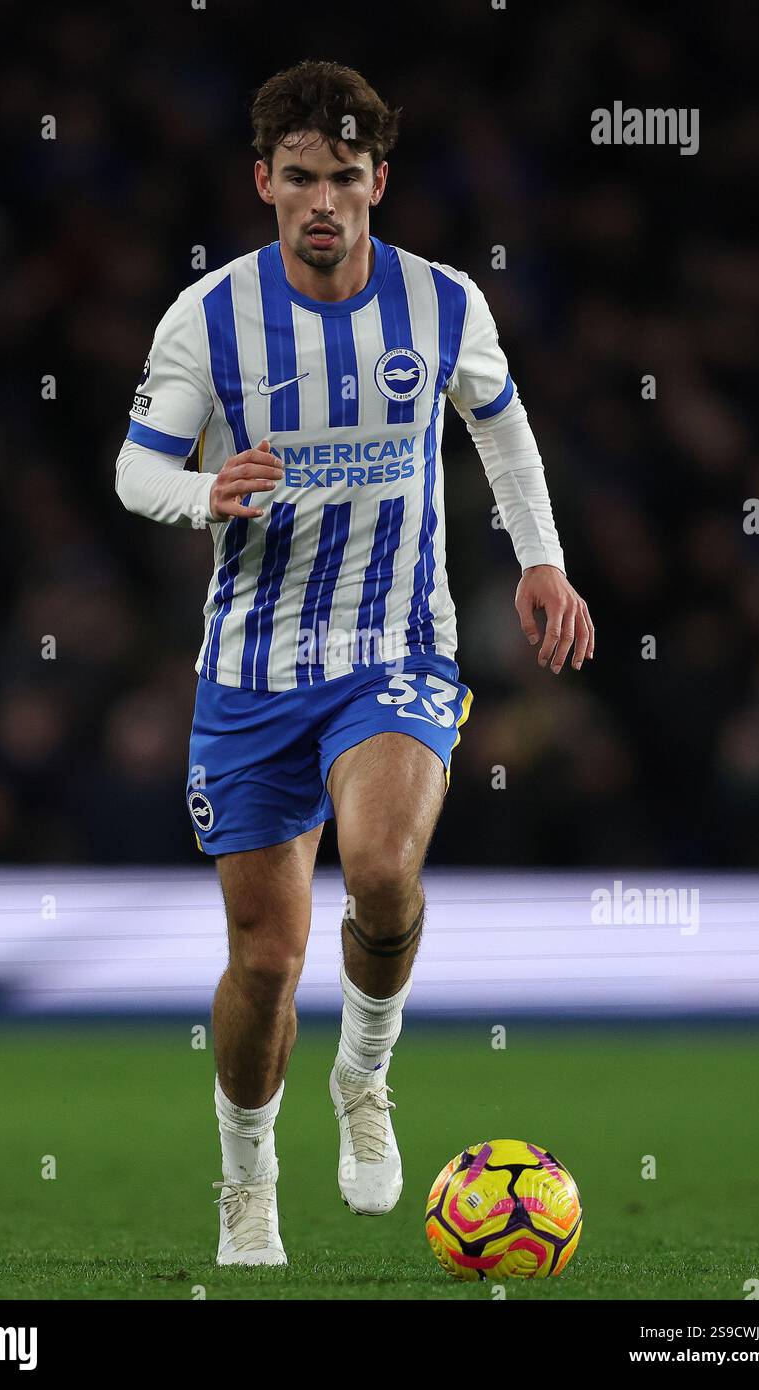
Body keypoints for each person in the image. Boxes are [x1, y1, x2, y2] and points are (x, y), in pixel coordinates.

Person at [115, 59, 594, 1266]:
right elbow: (134, 470)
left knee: (382, 869)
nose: (320, 200)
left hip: (396, 648)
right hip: (252, 669)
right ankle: (248, 1175)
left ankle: (365, 1075)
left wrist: (540, 560)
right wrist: (197, 492)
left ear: (378, 180)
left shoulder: (441, 304)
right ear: (262, 182)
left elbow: (502, 424)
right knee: (265, 962)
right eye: (298, 179)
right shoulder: (206, 318)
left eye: (342, 177)